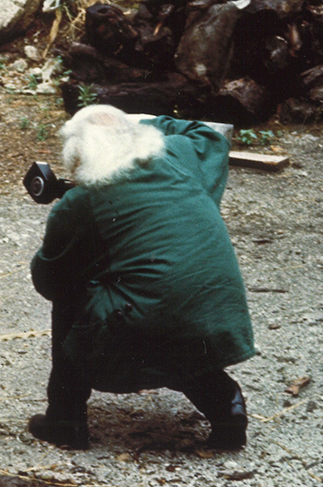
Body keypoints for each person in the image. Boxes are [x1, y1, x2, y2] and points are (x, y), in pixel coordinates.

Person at [29, 105, 254, 450]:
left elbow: (50, 280)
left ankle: (65, 417)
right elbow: (208, 134)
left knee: (75, 293)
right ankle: (225, 402)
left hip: (162, 320)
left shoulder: (81, 201)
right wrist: (141, 122)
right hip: (220, 310)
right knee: (169, 313)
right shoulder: (176, 154)